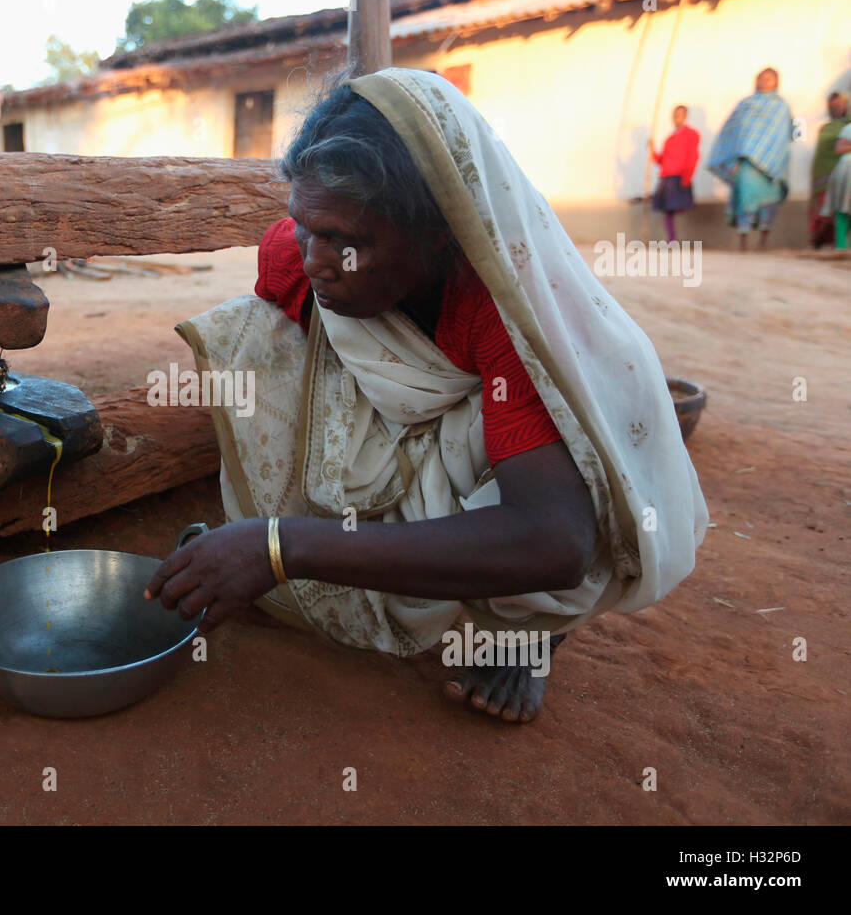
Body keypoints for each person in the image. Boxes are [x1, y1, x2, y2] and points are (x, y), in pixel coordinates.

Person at [148, 68, 708, 724]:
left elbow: (554, 541)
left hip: (500, 468)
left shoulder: (507, 313)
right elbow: (309, 347)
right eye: (305, 227)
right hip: (407, 434)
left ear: (442, 229)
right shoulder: (292, 256)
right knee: (251, 333)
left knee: (527, 456)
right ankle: (339, 550)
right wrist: (276, 531)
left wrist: (277, 548)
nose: (316, 261)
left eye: (348, 244)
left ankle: (526, 631)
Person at [707, 67, 792, 251]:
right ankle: (743, 243)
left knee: (768, 204)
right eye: (761, 77)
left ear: (776, 82)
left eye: (770, 78)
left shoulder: (781, 106)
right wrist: (737, 158)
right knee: (744, 200)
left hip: (772, 166)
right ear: (756, 81)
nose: (765, 81)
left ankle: (762, 244)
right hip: (747, 166)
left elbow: (786, 134)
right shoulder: (745, 104)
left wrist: (776, 152)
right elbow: (732, 131)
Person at [649, 105, 700, 242]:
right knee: (668, 211)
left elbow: (693, 157)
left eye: (680, 115)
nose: (677, 118)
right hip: (667, 177)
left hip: (679, 177)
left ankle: (675, 240)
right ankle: (672, 240)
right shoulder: (670, 138)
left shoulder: (691, 134)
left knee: (676, 207)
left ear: (685, 117)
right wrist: (652, 150)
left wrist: (687, 177)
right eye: (675, 115)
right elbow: (662, 160)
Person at [811, 92, 850, 248]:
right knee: (829, 215)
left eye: (839, 105)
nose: (835, 109)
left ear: (846, 106)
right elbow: (835, 149)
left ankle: (841, 246)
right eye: (831, 106)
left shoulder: (848, 126)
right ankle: (822, 244)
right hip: (829, 178)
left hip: (846, 177)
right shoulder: (826, 129)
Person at [820, 119, 851, 249]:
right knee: (843, 209)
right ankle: (841, 248)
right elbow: (839, 148)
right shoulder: (849, 129)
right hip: (846, 172)